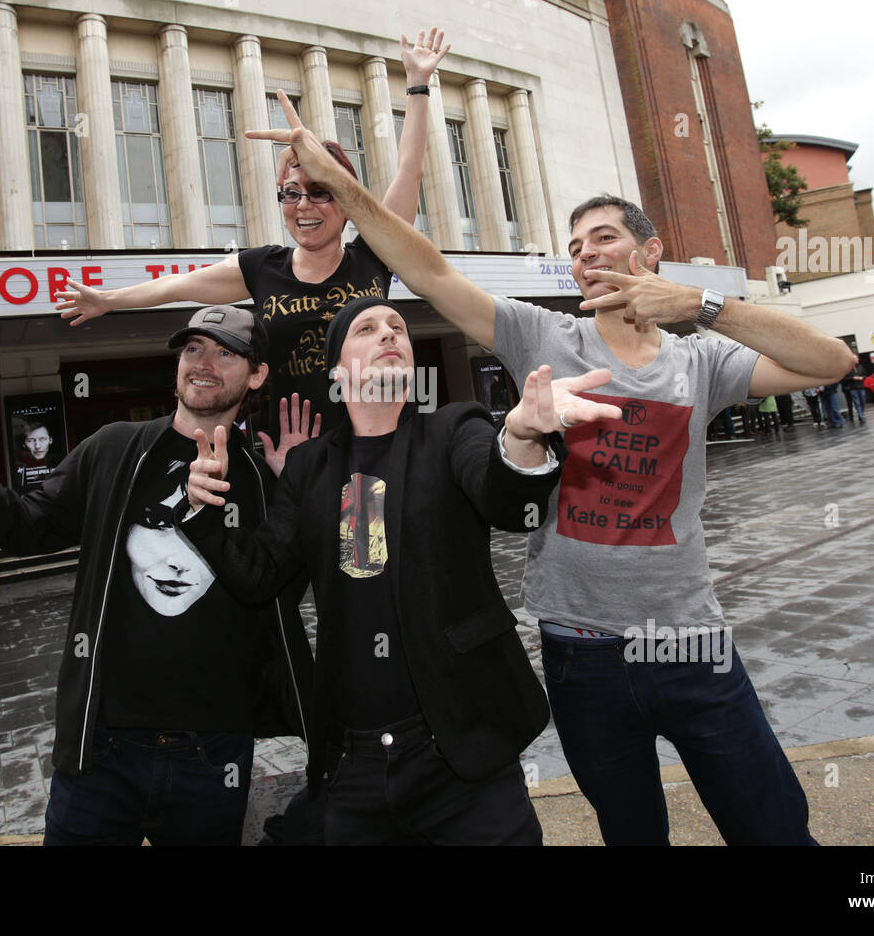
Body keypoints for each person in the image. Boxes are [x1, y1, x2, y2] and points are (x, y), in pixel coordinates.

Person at [252, 94, 857, 844]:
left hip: (690, 644)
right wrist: (337, 186)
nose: (587, 254)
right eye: (575, 246)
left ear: (650, 250)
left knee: (773, 828)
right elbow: (429, 270)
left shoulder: (705, 362)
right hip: (581, 653)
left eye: (604, 238)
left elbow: (831, 362)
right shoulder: (543, 336)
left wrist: (702, 305)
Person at [178, 298, 614, 844]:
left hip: (461, 758)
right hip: (353, 762)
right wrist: (204, 512)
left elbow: (504, 498)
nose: (389, 333)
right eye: (366, 328)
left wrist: (522, 440)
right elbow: (259, 575)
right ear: (339, 370)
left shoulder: (456, 428)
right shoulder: (310, 466)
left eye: (398, 328)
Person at [0, 305, 313, 845]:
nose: (203, 363)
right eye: (193, 349)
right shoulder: (115, 449)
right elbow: (27, 526)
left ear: (256, 375)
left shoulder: (263, 477)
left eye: (226, 352)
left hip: (214, 754)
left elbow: (279, 589)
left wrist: (297, 491)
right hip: (104, 750)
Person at [55, 28, 451, 446]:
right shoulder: (262, 267)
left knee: (368, 515)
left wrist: (418, 85)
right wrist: (108, 300)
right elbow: (177, 286)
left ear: (347, 199)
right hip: (293, 456)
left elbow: (409, 170)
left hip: (380, 444)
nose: (303, 206)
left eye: (320, 191)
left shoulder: (374, 253)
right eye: (291, 193)